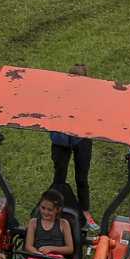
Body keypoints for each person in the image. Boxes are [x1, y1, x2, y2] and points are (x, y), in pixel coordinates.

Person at [49, 63, 95, 234]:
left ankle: (85, 212)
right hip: (60, 140)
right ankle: (52, 210)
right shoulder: (59, 95)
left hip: (82, 139)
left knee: (82, 178)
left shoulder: (91, 96)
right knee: (59, 175)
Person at [23, 188, 77, 259]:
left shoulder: (63, 224)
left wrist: (51, 248)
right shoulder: (33, 222)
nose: (45, 212)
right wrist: (39, 255)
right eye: (43, 208)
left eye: (50, 210)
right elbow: (28, 246)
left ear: (58, 210)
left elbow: (70, 249)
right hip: (36, 256)